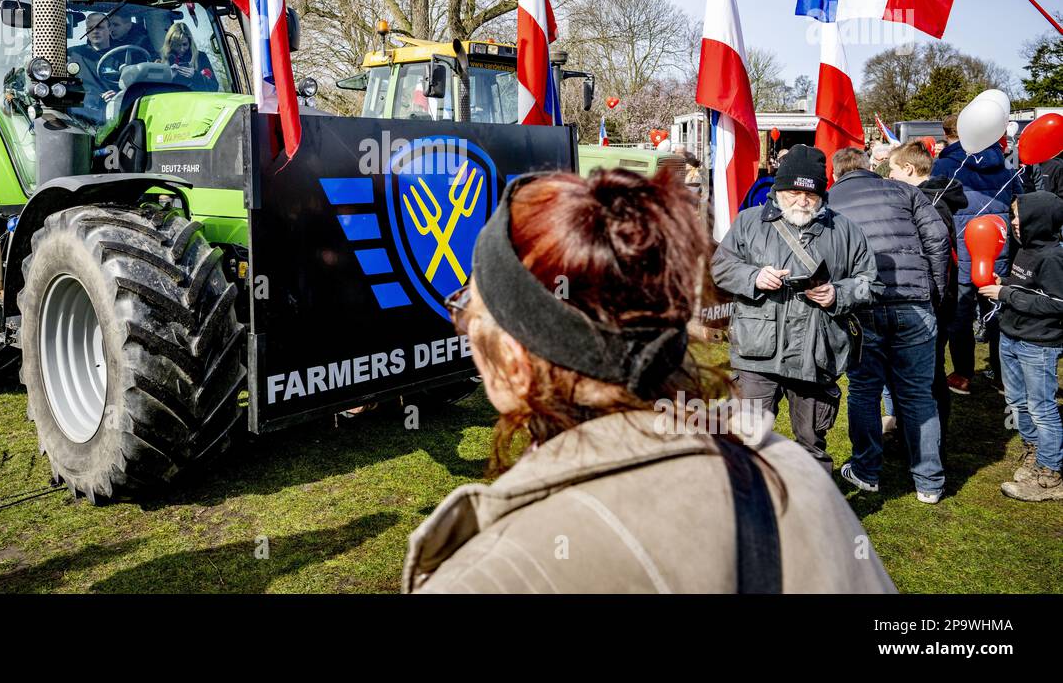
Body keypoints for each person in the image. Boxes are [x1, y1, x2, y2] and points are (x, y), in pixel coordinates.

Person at [403, 168, 895, 593]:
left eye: (470, 311)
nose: (464, 325)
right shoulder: (789, 471)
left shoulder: (488, 574)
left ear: (515, 362)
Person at [712, 145, 877, 473]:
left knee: (811, 448)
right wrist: (754, 276)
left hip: (815, 358)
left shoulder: (845, 230)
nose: (802, 201)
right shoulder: (748, 223)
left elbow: (871, 284)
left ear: (823, 193)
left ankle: (814, 517)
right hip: (757, 354)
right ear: (777, 190)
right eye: (793, 192)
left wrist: (837, 294)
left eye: (811, 194)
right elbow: (721, 267)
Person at [829, 146, 949, 503]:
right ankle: (929, 480)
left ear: (836, 173)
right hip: (912, 302)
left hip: (864, 304)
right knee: (916, 393)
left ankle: (867, 470)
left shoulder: (831, 199)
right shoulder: (905, 191)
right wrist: (933, 290)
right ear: (871, 167)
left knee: (865, 390)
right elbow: (938, 239)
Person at [979, 193, 1063, 502]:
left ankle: (1050, 475)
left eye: (1019, 216)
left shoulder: (1054, 256)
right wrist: (1006, 284)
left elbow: (1057, 302)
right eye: (1013, 215)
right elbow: (1027, 288)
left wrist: (1006, 294)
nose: (1013, 222)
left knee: (1042, 408)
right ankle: (1033, 453)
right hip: (1011, 335)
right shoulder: (1025, 249)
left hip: (1038, 343)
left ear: (1039, 219)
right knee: (1017, 402)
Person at [931, 112, 1021, 395]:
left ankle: (963, 373)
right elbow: (1018, 198)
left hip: (961, 248)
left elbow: (933, 203)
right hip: (997, 245)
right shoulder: (1003, 162)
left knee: (961, 315)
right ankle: (1004, 374)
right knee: (997, 311)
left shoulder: (945, 163)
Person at [889, 139, 966, 466]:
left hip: (930, 305)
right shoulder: (927, 199)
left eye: (892, 170)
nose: (889, 177)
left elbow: (933, 259)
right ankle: (912, 439)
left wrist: (929, 304)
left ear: (908, 169)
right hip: (932, 302)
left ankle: (926, 449)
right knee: (917, 378)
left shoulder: (928, 204)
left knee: (928, 381)